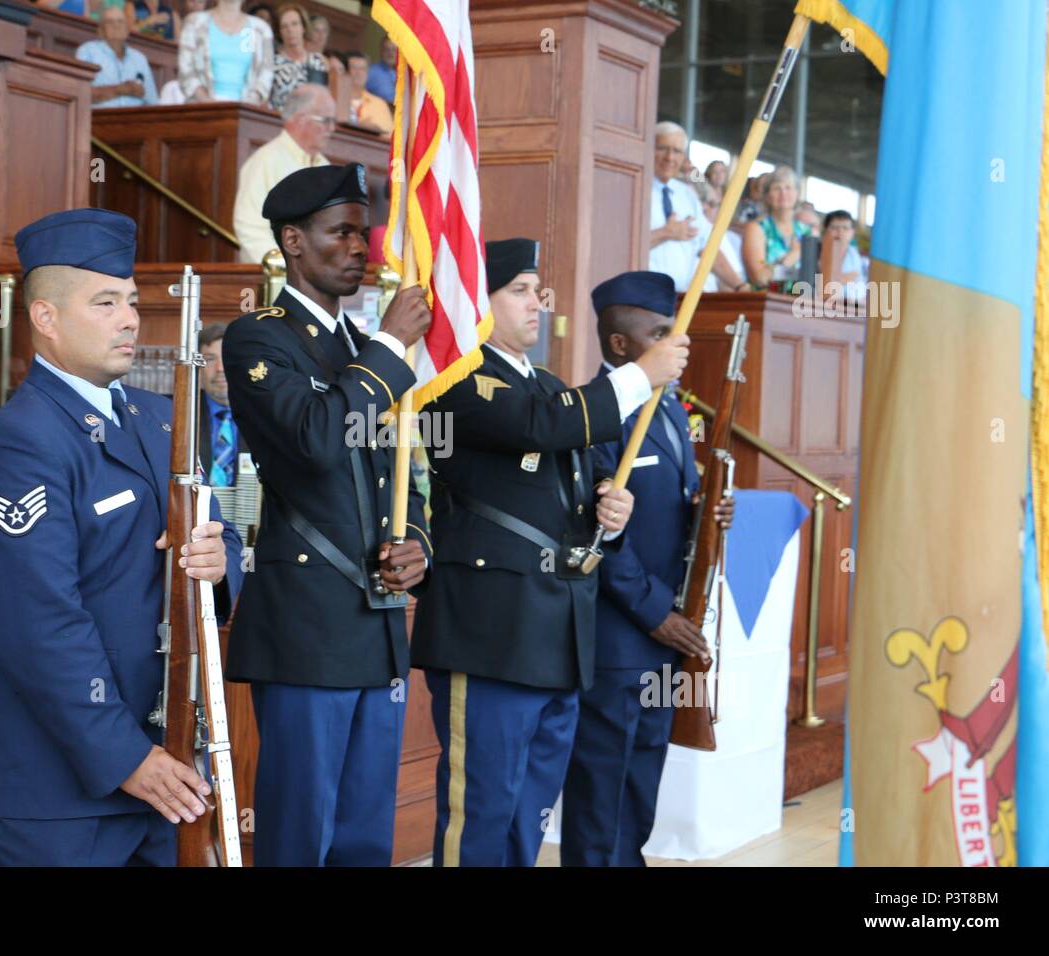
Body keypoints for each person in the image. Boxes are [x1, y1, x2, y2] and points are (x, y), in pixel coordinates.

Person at [0, 208, 245, 866]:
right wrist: (125, 757)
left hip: (163, 763)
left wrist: (218, 559)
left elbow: (218, 540)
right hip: (60, 784)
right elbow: (38, 623)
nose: (130, 319)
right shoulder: (22, 438)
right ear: (47, 318)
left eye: (134, 302)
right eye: (105, 301)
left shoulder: (161, 417)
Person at [410, 239, 690, 867]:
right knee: (481, 811)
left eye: (538, 289)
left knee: (528, 811)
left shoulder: (547, 384)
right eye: (518, 290)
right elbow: (540, 425)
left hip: (557, 631)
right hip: (488, 630)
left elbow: (563, 486)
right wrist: (643, 373)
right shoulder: (453, 382)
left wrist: (606, 516)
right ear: (473, 305)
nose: (537, 302)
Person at [222, 164, 434, 866]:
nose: (360, 247)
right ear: (292, 240)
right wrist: (392, 347)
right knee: (300, 832)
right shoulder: (259, 337)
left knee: (364, 835)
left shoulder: (357, 349)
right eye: (340, 232)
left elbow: (405, 468)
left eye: (363, 232)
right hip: (307, 621)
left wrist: (417, 543)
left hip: (374, 620)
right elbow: (318, 441)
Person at [560, 271, 733, 867]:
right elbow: (596, 532)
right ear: (620, 345)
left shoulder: (669, 412)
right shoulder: (596, 415)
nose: (676, 344)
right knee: (600, 791)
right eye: (661, 332)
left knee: (640, 784)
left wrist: (705, 513)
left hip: (665, 637)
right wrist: (656, 612)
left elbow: (666, 509)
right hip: (619, 637)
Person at [232, 83, 333, 263]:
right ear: (300, 119)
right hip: (276, 280)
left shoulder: (325, 166)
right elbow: (250, 226)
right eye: (325, 120)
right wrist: (284, 270)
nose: (331, 129)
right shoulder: (265, 161)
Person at [648, 121, 735, 292]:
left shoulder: (687, 194)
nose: (670, 157)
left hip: (679, 301)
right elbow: (618, 244)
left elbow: (708, 249)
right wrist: (666, 233)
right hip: (641, 298)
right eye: (663, 148)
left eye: (677, 151)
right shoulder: (633, 187)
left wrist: (740, 286)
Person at [177, 0, 274, 104]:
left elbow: (265, 75)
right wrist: (207, 102)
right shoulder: (195, 22)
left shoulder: (257, 29)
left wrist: (245, 107)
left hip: (244, 113)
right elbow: (186, 70)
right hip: (202, 109)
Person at [741, 165, 810, 292]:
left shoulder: (808, 232)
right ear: (767, 195)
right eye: (777, 188)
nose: (783, 193)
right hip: (765, 303)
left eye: (788, 187)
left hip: (802, 305)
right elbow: (760, 278)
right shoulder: (757, 228)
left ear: (797, 193)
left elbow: (819, 278)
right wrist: (792, 256)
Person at [76, 5, 160, 108]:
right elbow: (80, 93)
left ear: (127, 29)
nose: (116, 25)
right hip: (98, 120)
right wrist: (120, 89)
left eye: (121, 21)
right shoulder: (88, 51)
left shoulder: (139, 59)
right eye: (110, 22)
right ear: (100, 31)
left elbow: (153, 102)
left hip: (136, 120)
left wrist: (141, 92)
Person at [197, 323, 246, 484]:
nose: (220, 368)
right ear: (198, 368)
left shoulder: (265, 416)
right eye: (210, 359)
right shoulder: (179, 414)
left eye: (227, 358)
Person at [268, 4, 329, 111]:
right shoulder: (273, 63)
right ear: (279, 32)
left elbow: (326, 99)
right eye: (284, 26)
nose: (290, 30)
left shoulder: (319, 62)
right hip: (280, 122)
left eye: (294, 24)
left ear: (304, 27)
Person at [700, 184, 748, 293]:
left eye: (713, 204)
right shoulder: (707, 229)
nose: (705, 208)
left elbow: (729, 285)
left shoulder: (725, 236)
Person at [819, 209, 867, 305]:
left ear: (852, 233)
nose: (840, 231)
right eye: (834, 227)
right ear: (825, 231)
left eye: (845, 228)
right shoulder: (817, 251)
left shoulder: (855, 255)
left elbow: (860, 285)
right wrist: (842, 279)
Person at [344, 51, 392, 135]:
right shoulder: (333, 98)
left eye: (362, 69)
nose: (358, 73)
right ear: (344, 71)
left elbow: (389, 138)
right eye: (353, 67)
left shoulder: (379, 104)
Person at [366, 37, 398, 103]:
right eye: (386, 49)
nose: (390, 53)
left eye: (393, 50)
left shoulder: (403, 74)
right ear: (381, 52)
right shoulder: (371, 72)